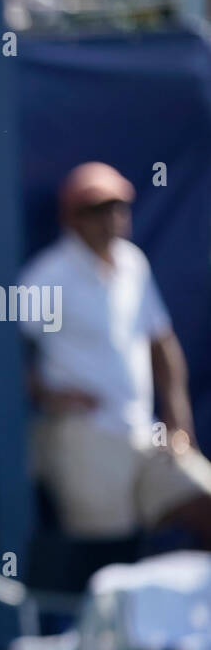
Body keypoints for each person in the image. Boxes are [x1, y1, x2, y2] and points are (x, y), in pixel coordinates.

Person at [19, 162, 211, 549]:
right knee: (103, 553)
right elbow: (1, 351)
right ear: (71, 219)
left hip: (146, 434)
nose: (110, 218)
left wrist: (178, 422)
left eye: (117, 207)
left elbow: (163, 345)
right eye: (96, 210)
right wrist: (45, 395)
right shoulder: (49, 276)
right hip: (84, 438)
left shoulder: (134, 264)